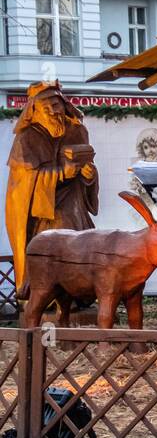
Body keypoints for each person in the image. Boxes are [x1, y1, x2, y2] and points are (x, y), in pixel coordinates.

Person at [6, 82, 98, 288]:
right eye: (45, 108)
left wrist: (89, 175)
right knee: (56, 250)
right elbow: (24, 184)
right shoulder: (26, 139)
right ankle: (50, 295)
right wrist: (60, 174)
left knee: (81, 247)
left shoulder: (76, 131)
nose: (52, 112)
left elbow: (89, 164)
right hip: (44, 214)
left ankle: (78, 293)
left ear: (64, 105)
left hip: (75, 206)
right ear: (34, 112)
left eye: (55, 105)